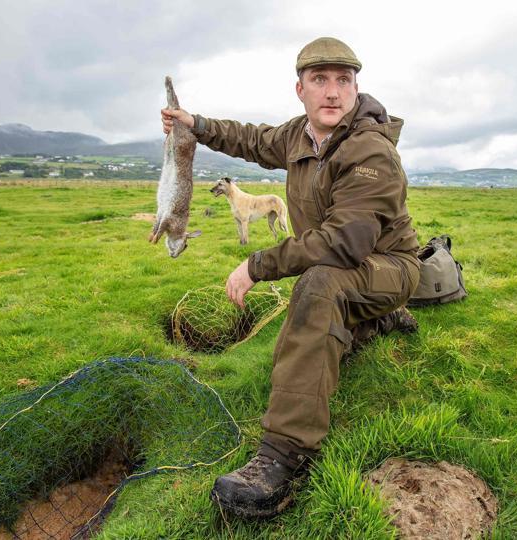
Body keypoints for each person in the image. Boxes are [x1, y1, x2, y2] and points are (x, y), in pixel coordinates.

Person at [161, 37, 421, 518]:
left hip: (390, 266)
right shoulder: (299, 136)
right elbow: (250, 140)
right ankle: (375, 322)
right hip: (350, 268)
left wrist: (257, 265)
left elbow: (345, 244)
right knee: (322, 289)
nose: (332, 92)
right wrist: (195, 125)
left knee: (319, 284)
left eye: (343, 80)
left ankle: (285, 456)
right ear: (298, 89)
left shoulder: (371, 152)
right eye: (320, 79)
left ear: (356, 87)